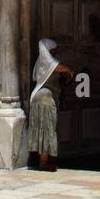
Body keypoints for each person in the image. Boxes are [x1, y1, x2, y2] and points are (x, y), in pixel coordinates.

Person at [27, 38, 72, 171]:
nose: (55, 51)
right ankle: (43, 162)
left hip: (38, 98)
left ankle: (43, 161)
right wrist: (70, 70)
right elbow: (58, 67)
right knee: (46, 128)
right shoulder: (47, 62)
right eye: (53, 49)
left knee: (42, 128)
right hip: (45, 99)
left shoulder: (43, 62)